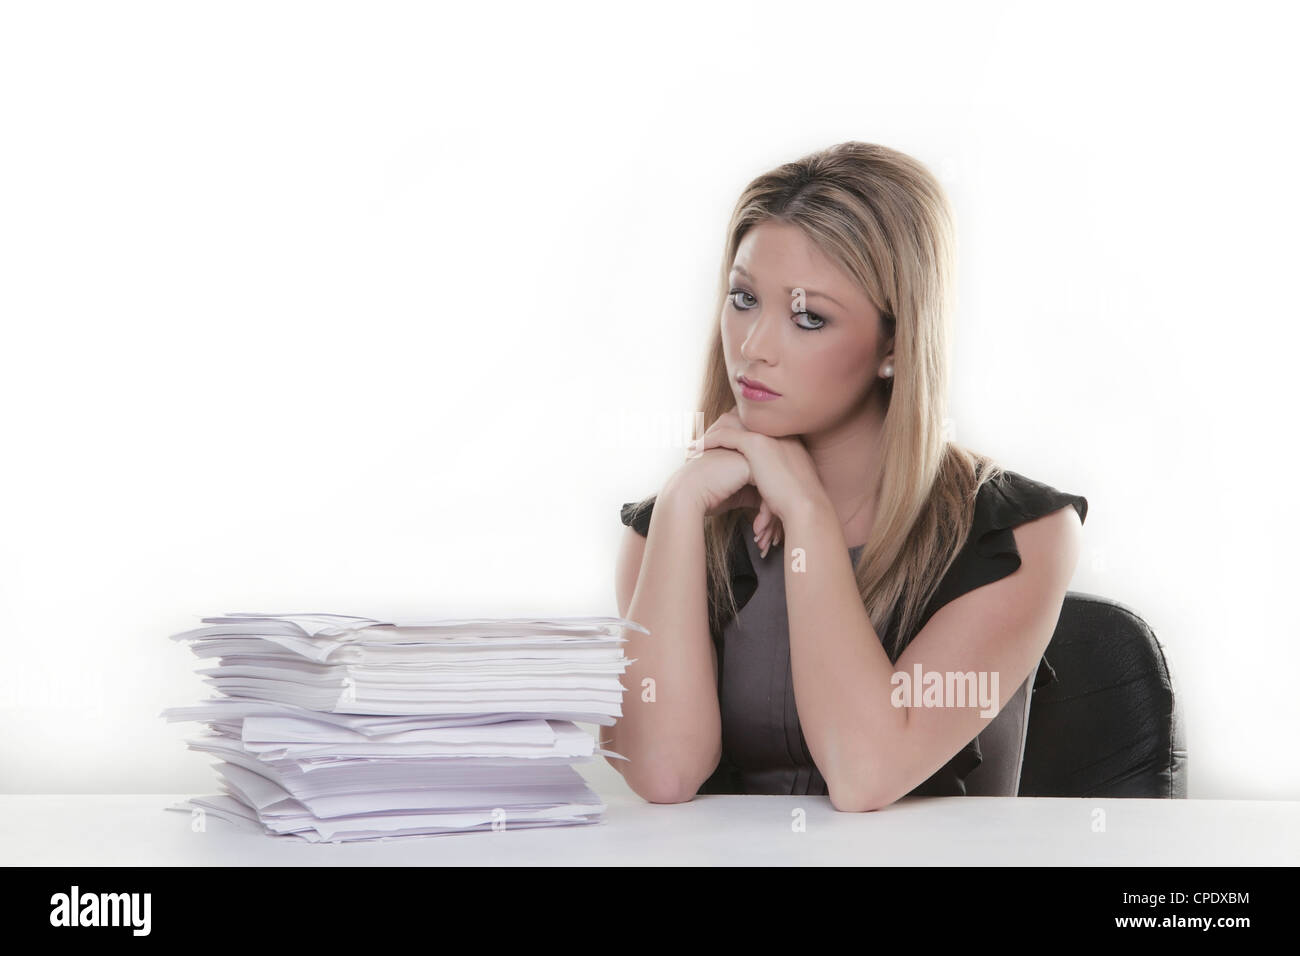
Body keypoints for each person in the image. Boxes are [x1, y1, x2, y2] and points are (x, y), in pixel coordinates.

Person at [609, 142, 1087, 811]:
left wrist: (805, 511)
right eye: (744, 298)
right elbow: (662, 774)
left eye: (808, 316)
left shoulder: (1018, 535)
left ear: (896, 343)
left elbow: (865, 773)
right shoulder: (667, 528)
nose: (753, 348)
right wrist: (685, 500)